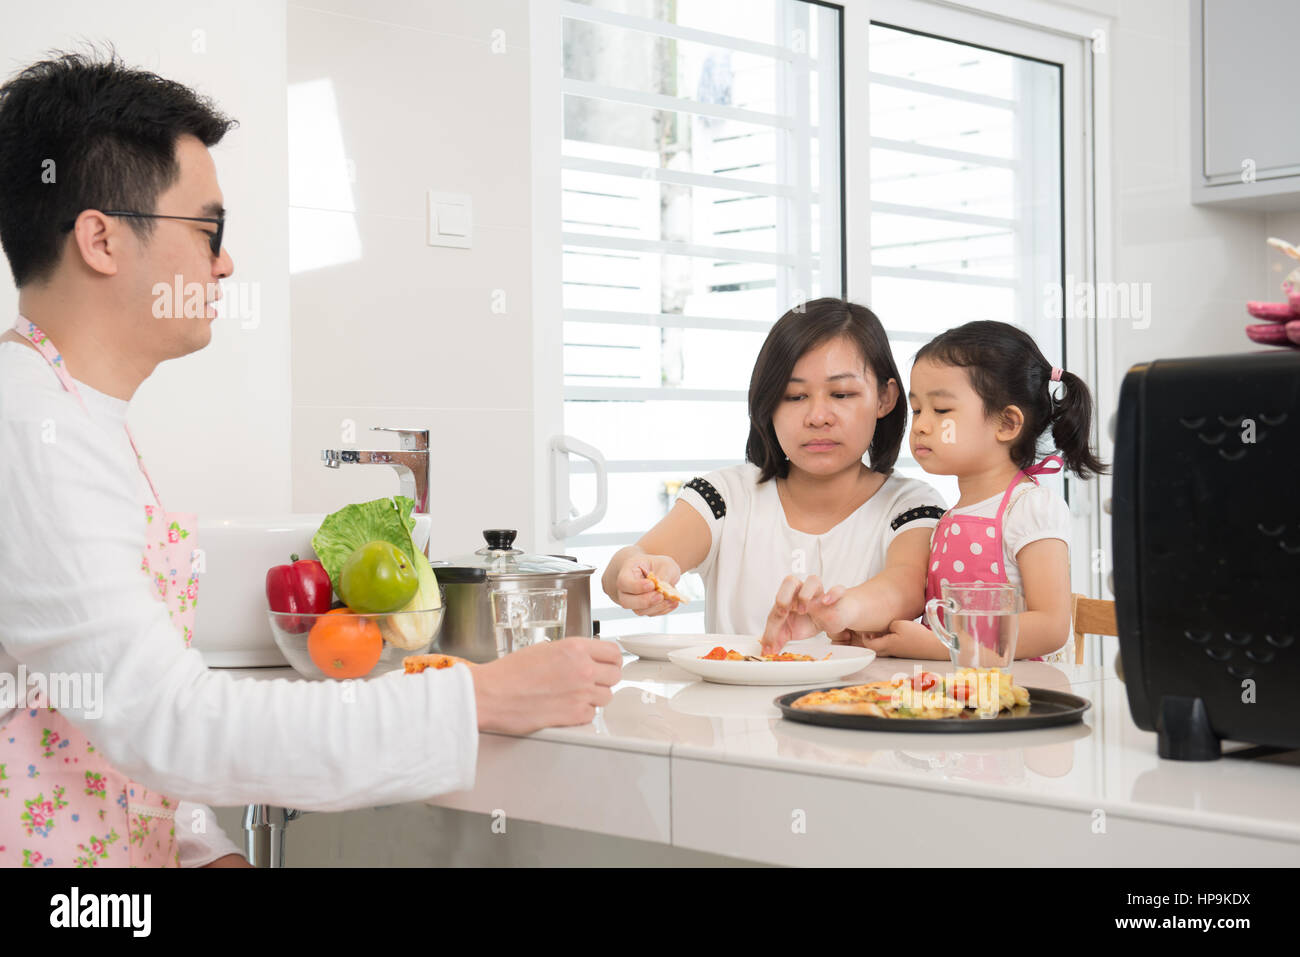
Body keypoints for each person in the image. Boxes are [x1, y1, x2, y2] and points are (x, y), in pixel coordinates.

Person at [0, 51, 620, 869]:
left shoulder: (72, 412)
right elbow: (165, 718)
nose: (225, 263)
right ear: (102, 239)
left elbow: (109, 714)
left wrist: (199, 845)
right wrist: (478, 695)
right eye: (209, 230)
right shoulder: (26, 419)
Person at [602, 298, 947, 646]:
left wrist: (836, 611)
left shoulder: (910, 505)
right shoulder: (724, 497)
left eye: (841, 394)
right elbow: (629, 561)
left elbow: (907, 585)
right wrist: (636, 574)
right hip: (727, 701)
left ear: (885, 399)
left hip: (861, 701)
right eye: (795, 396)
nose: (817, 416)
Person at [878, 320, 1108, 661]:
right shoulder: (951, 515)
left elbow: (1051, 627)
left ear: (1006, 424)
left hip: (1023, 699)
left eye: (941, 410)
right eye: (917, 410)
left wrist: (940, 646)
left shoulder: (1030, 508)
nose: (922, 425)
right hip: (963, 694)